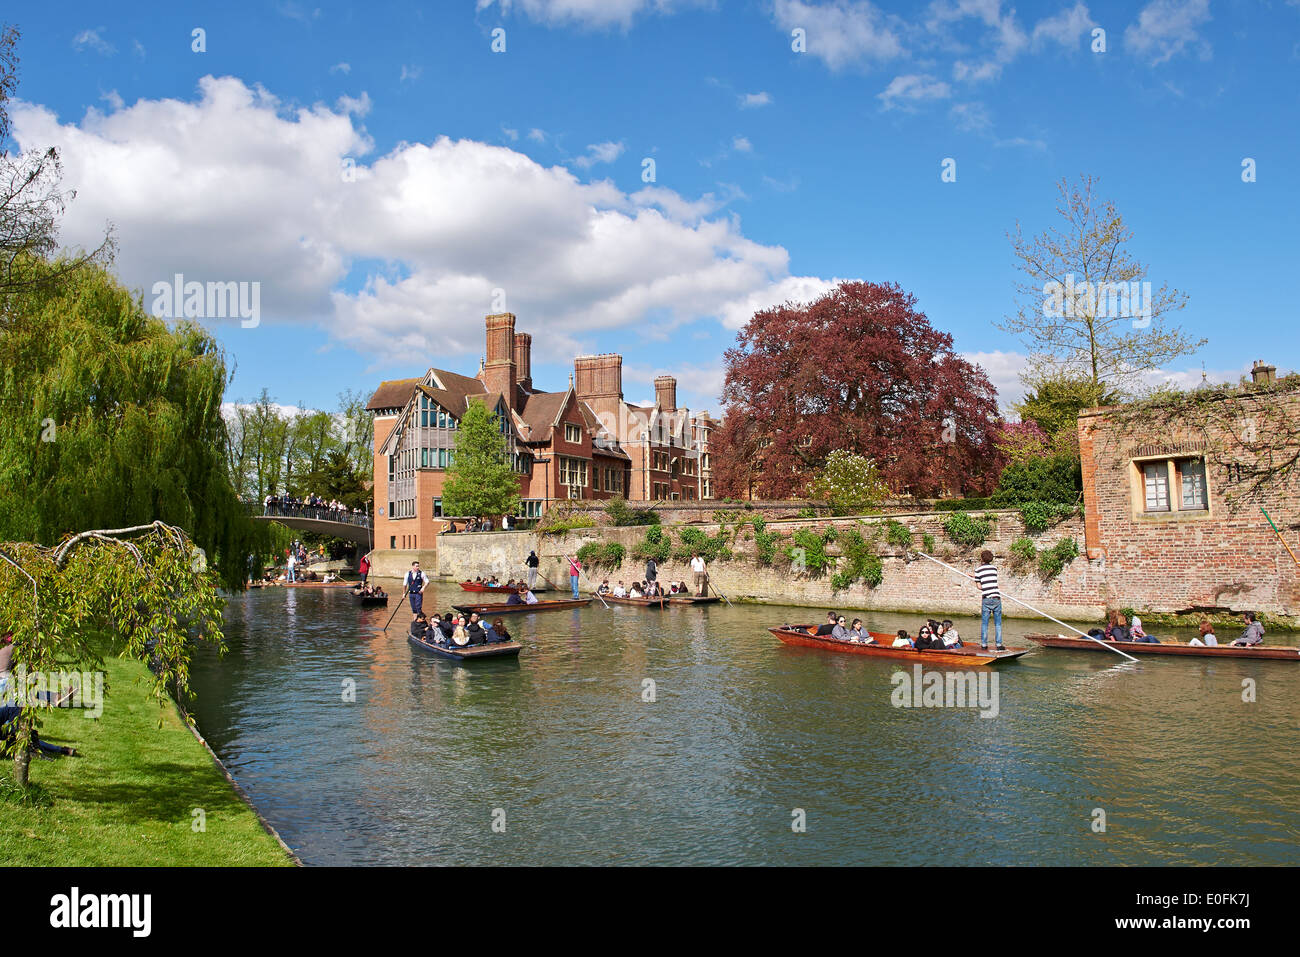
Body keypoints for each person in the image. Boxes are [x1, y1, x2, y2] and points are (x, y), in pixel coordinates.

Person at [973, 550, 1005, 652]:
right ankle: (999, 645)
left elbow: (979, 587)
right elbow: (989, 580)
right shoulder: (994, 569)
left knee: (985, 624)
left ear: (981, 558)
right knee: (998, 624)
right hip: (996, 598)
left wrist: (976, 579)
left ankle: (984, 644)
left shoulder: (978, 570)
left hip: (986, 599)